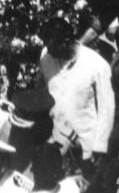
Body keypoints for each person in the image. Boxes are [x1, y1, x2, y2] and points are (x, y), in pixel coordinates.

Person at [37, 16, 115, 163]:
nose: (49, 51)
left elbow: (107, 109)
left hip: (85, 148)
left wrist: (99, 148)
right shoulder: (46, 59)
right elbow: (40, 91)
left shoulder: (97, 66)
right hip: (55, 142)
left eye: (52, 46)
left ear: (66, 42)